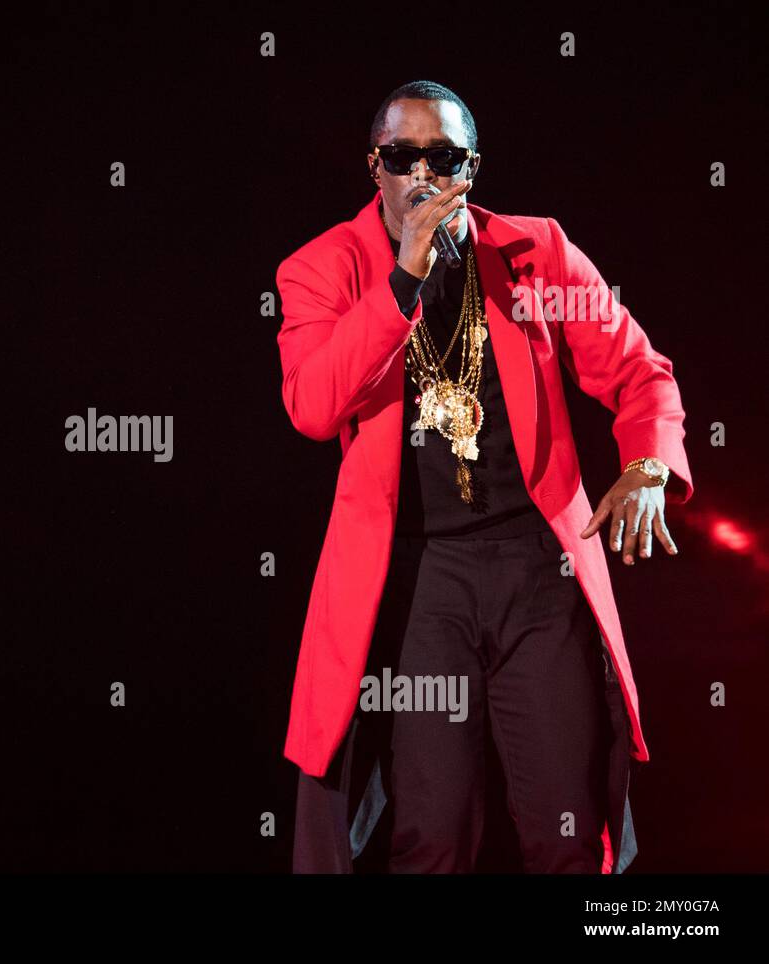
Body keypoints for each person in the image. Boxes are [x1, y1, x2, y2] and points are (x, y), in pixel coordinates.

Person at [276, 80, 693, 873]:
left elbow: (642, 374)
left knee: (568, 832)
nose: (423, 177)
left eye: (445, 158)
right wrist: (403, 280)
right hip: (421, 580)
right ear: (376, 166)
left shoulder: (537, 251)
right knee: (432, 832)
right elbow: (312, 404)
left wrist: (647, 465)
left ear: (473, 168)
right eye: (403, 158)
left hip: (540, 571)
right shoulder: (322, 268)